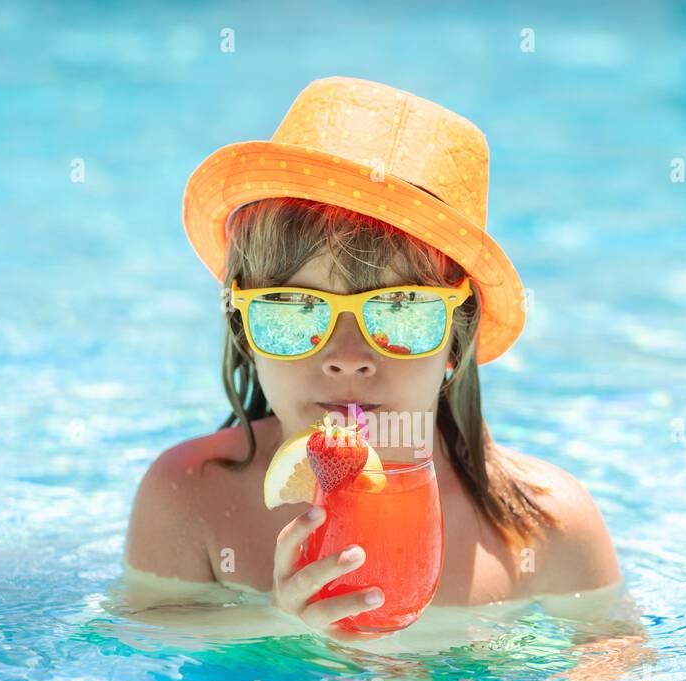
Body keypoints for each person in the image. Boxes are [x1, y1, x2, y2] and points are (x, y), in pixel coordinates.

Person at [124, 75, 622, 636]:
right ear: (244, 330)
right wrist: (281, 631)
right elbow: (153, 667)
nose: (347, 357)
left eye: (401, 309)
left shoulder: (547, 528)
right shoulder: (192, 498)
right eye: (293, 308)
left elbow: (610, 674)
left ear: (455, 341)